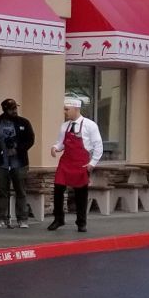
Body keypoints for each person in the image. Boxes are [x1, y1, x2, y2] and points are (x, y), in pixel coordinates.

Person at [49, 94, 103, 231]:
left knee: (81, 193)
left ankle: (81, 222)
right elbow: (61, 143)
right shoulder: (64, 126)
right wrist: (55, 148)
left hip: (81, 163)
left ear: (75, 108)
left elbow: (98, 145)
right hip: (66, 162)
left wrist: (93, 163)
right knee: (58, 189)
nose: (65, 112)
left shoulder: (90, 125)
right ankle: (58, 219)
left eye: (67, 109)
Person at [0, 98, 36, 228]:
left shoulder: (23, 122)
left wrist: (18, 148)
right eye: (11, 109)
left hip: (19, 161)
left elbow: (30, 139)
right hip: (1, 162)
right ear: (5, 110)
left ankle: (22, 219)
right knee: (2, 190)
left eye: (15, 108)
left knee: (20, 190)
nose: (14, 111)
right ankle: (1, 218)